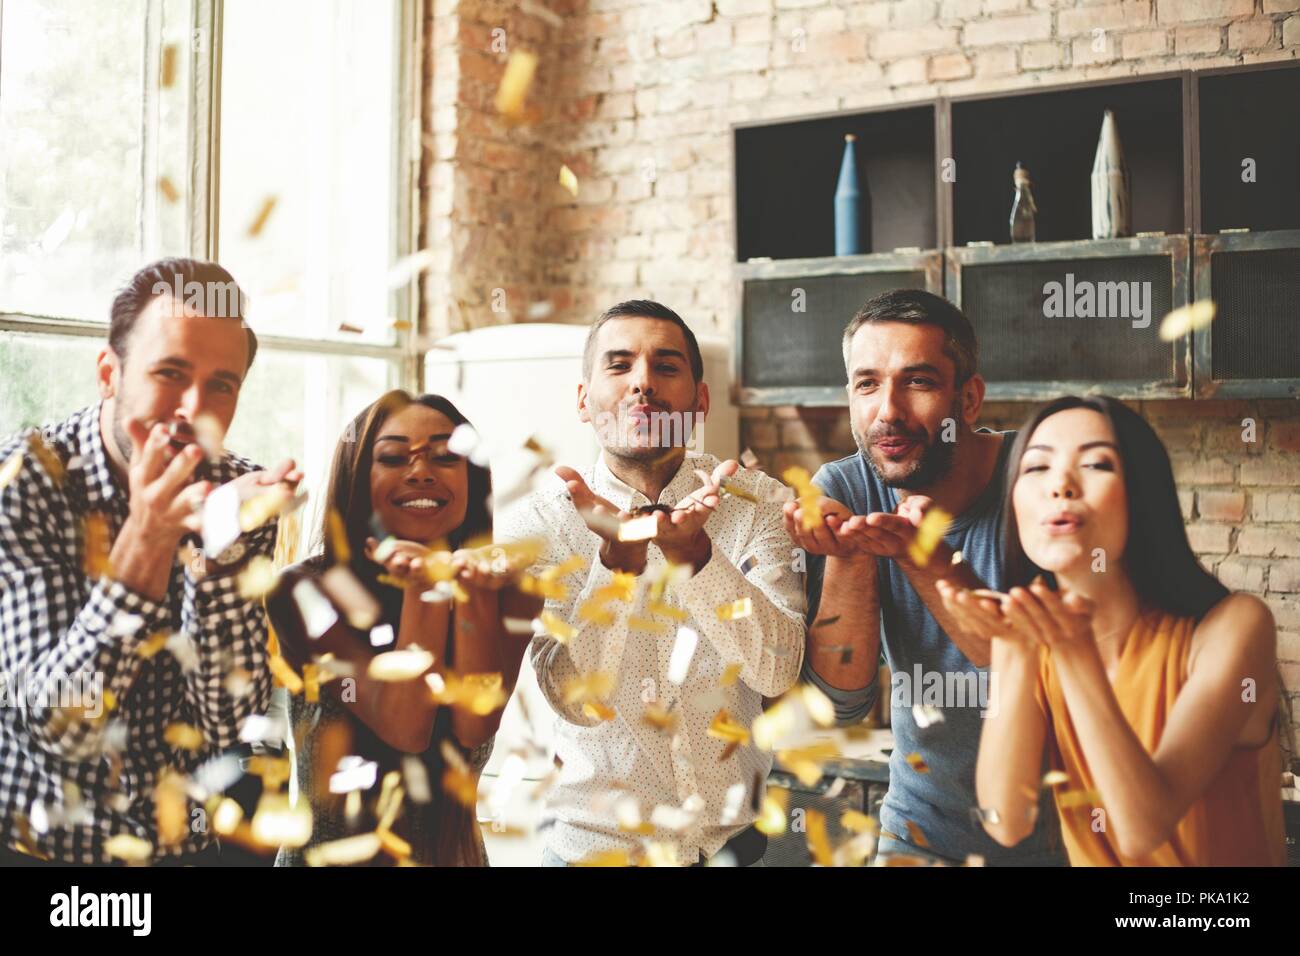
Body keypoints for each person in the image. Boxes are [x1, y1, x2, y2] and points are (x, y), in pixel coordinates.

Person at [0, 258, 300, 865]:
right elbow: (63, 732)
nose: (194, 408)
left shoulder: (237, 492)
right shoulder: (26, 481)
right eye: (170, 372)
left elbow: (228, 725)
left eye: (222, 383)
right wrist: (150, 537)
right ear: (109, 373)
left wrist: (219, 551)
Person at [497, 300, 806, 867]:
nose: (643, 381)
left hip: (733, 852)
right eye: (619, 365)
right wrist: (616, 573)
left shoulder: (756, 502)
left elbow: (776, 670)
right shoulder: (539, 526)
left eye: (666, 366)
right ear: (584, 402)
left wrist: (697, 560)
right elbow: (576, 700)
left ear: (700, 400)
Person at [941, 395, 1285, 866]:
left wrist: (1072, 653)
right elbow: (1006, 820)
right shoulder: (1035, 639)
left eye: (1097, 464)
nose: (1060, 485)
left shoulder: (1233, 626)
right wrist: (1013, 648)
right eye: (1036, 468)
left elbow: (1144, 827)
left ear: (1142, 494)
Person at [785, 289, 1063, 865]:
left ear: (969, 398)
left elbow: (1035, 680)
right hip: (919, 830)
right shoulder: (846, 490)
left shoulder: (1040, 483)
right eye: (867, 384)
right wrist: (851, 555)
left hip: (1065, 840)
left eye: (917, 381)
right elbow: (839, 705)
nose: (888, 410)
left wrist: (921, 558)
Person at [267, 391, 534, 866]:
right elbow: (407, 726)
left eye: (445, 456)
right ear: (356, 477)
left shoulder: (511, 590)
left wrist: (465, 588)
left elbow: (473, 724)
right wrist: (425, 585)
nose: (421, 471)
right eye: (392, 457)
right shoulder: (304, 590)